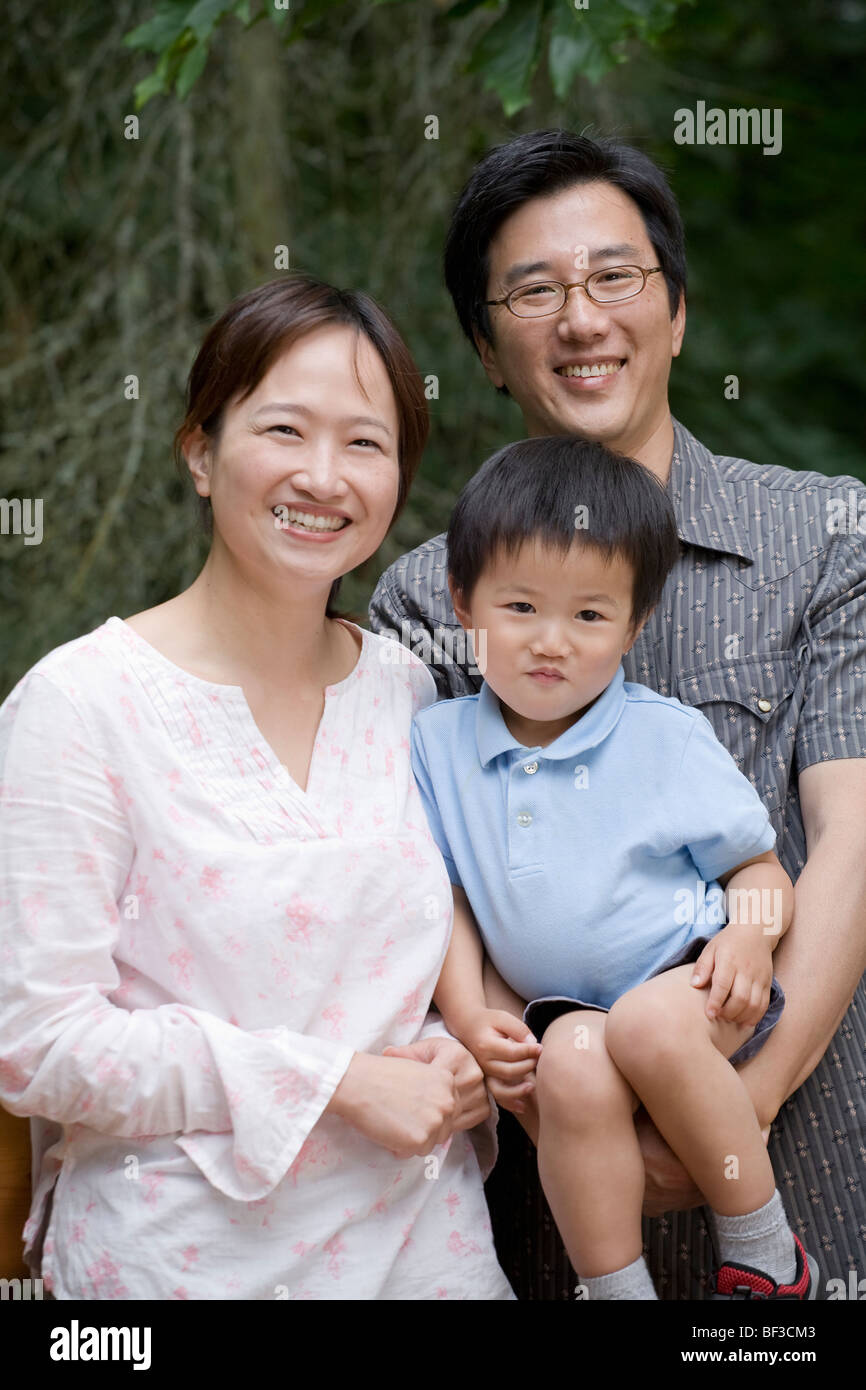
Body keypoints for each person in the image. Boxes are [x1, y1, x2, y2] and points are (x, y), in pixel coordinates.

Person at [369, 129, 866, 1299]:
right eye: (532, 291)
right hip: (553, 1212)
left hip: (810, 1161)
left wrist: (739, 1102)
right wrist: (545, 1094)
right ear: (487, 350)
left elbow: (848, 837)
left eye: (613, 276)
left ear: (676, 312)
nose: (579, 317)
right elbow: (406, 871)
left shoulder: (824, 537)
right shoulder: (420, 599)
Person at [0, 274, 515, 1301]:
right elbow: (37, 1043)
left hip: (425, 1249)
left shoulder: (409, 691)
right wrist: (334, 1085)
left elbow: (432, 948)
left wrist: (460, 1056)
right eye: (284, 429)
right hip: (173, 1264)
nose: (323, 476)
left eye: (364, 443)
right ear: (200, 450)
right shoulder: (79, 703)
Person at [411, 435, 819, 1300]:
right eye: (520, 608)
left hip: (689, 984)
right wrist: (468, 1011)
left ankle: (769, 1255)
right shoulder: (435, 744)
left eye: (590, 617)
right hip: (566, 1017)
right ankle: (616, 1290)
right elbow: (444, 896)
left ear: (634, 625)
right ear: (462, 601)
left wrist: (748, 943)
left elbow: (756, 868)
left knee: (644, 1026)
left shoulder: (660, 735)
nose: (551, 643)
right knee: (573, 1061)